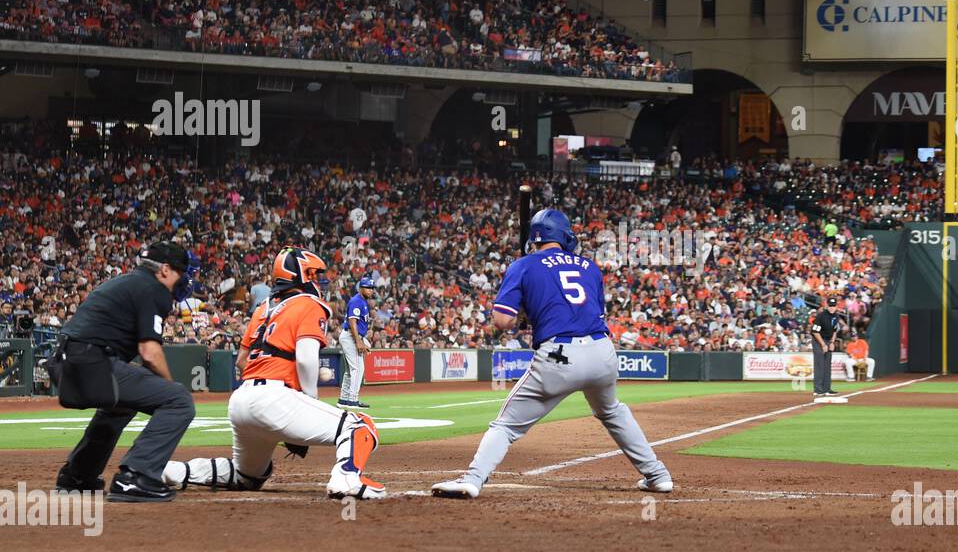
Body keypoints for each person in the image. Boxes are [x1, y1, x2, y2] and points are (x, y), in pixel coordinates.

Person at [432, 208, 673, 499]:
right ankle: (658, 476)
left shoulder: (523, 266)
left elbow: (502, 321)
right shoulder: (589, 267)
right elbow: (582, 310)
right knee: (613, 411)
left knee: (506, 426)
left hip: (560, 357)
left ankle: (473, 479)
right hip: (602, 352)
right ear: (564, 235)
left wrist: (522, 316)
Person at [162, 248, 386, 500]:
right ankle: (347, 478)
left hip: (242, 399)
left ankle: (173, 471)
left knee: (248, 475)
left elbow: (241, 361)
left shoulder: (262, 308)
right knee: (360, 426)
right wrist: (305, 402)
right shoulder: (310, 304)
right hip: (275, 396)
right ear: (299, 275)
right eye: (312, 274)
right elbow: (305, 358)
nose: (317, 280)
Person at [50, 241, 198, 502]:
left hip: (66, 363)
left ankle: (77, 477)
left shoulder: (127, 282)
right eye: (180, 272)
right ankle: (136, 477)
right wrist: (171, 388)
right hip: (89, 363)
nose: (183, 279)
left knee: (121, 405)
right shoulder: (154, 289)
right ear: (164, 270)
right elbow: (150, 352)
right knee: (179, 401)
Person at [338, 276, 376, 408]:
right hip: (351, 337)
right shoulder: (357, 301)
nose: (370, 290)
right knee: (358, 369)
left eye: (372, 288)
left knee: (350, 371)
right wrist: (359, 342)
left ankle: (344, 399)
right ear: (361, 288)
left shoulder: (362, 301)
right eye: (368, 287)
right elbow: (352, 322)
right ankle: (352, 400)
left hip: (351, 336)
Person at [810, 295, 840, 398]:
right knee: (820, 365)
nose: (832, 307)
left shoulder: (836, 316)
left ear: (836, 306)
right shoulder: (821, 316)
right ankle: (818, 390)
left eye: (834, 305)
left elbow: (835, 330)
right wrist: (823, 344)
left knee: (827, 366)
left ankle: (827, 389)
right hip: (818, 340)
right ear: (827, 306)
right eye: (830, 305)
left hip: (828, 340)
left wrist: (832, 342)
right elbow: (815, 331)